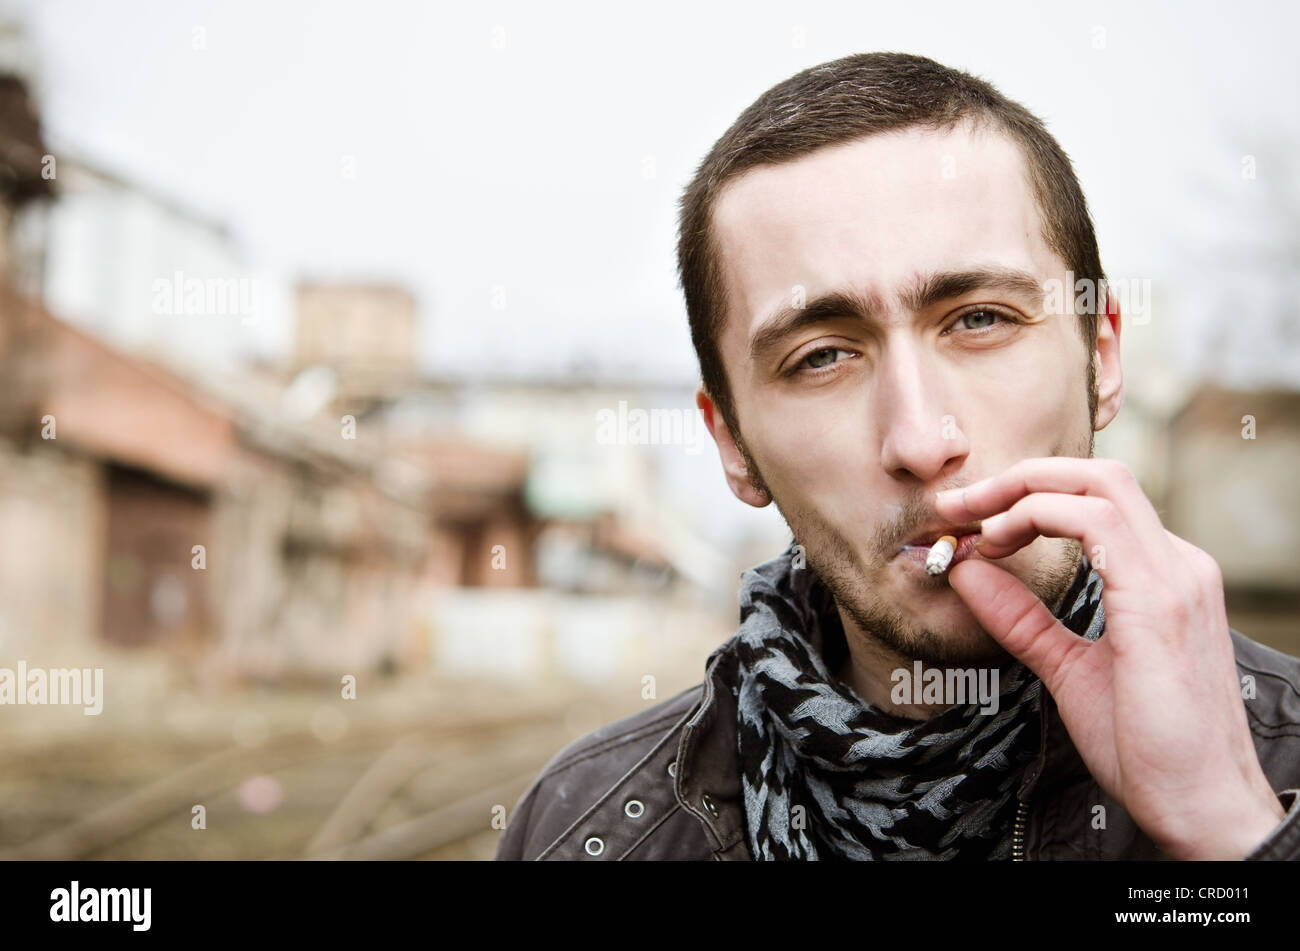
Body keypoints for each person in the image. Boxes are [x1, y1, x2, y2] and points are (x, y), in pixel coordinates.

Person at [494, 51, 1300, 861]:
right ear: (733, 444)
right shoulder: (581, 834)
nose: (921, 441)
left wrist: (1233, 830)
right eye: (821, 357)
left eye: (981, 319)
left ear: (1102, 356)